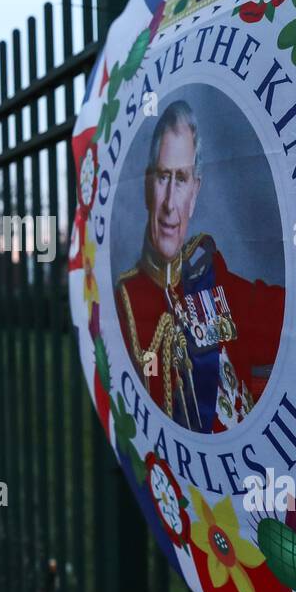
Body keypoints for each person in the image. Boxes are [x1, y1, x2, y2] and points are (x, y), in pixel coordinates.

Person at [114, 101, 285, 433]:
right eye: (163, 177)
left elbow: (284, 316)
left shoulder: (209, 274)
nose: (168, 205)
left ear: (195, 192)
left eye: (181, 180)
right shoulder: (126, 300)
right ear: (149, 186)